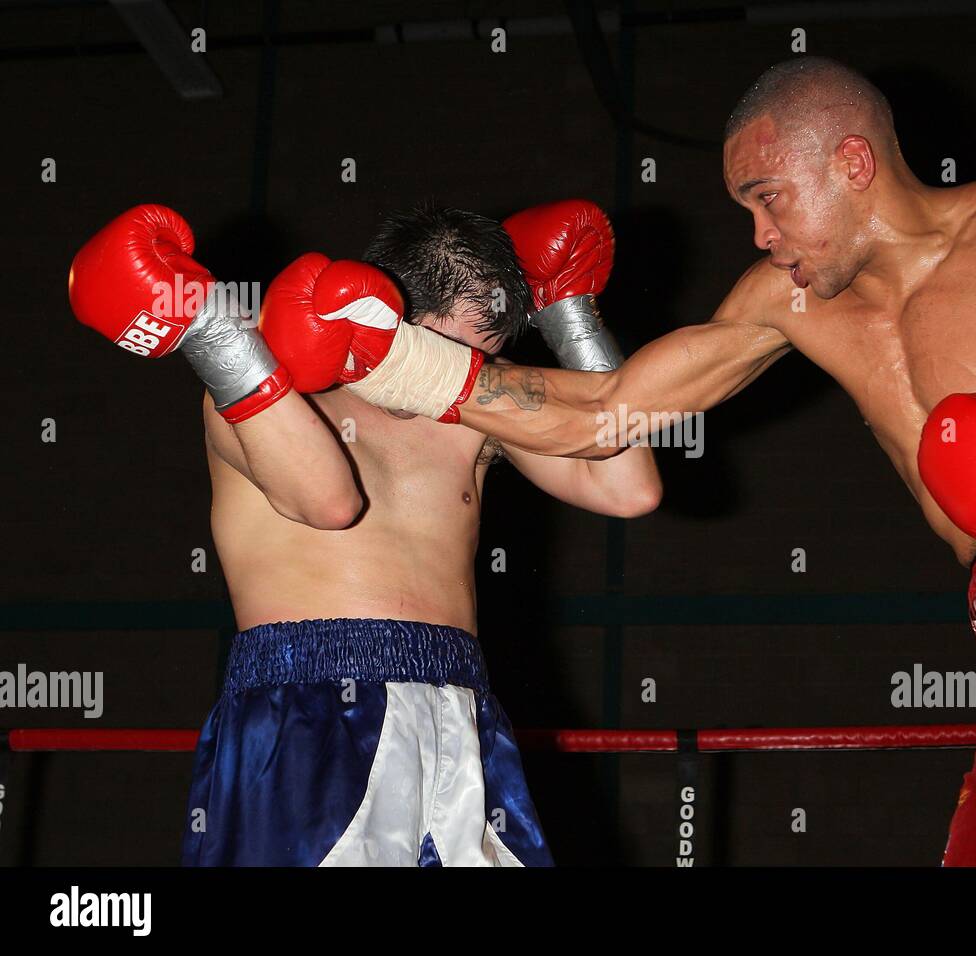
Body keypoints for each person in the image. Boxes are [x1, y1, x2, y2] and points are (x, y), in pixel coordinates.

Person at [277, 57, 976, 866]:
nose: (759, 233)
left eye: (768, 197)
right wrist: (397, 358)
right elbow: (612, 411)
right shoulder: (789, 302)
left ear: (852, 164)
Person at [68, 199, 659, 866]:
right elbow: (327, 500)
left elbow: (627, 486)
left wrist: (568, 315)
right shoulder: (267, 385)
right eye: (453, 349)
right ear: (390, 308)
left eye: (484, 358)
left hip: (462, 708)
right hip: (310, 702)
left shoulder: (473, 409)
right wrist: (216, 337)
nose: (461, 376)